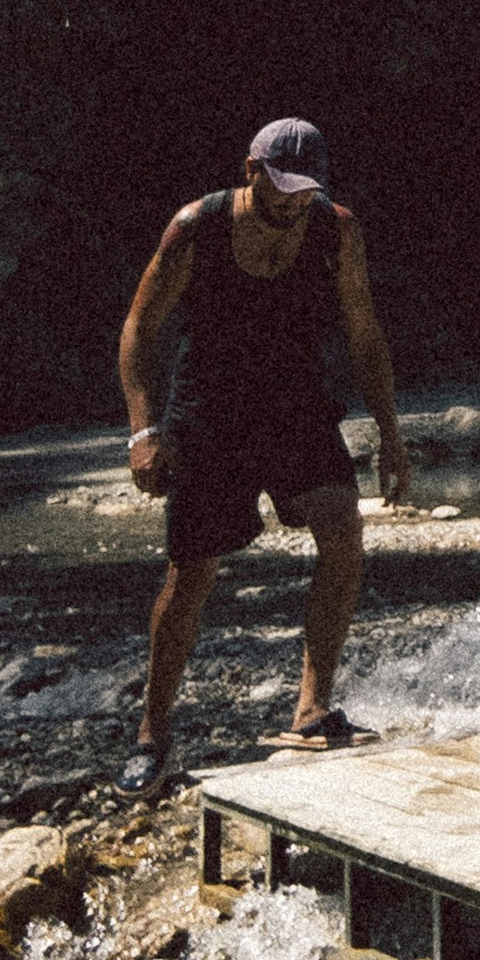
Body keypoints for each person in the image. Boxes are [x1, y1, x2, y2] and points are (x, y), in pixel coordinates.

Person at [115, 117, 410, 792]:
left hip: (296, 404)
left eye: (303, 190)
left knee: (343, 528)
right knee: (191, 576)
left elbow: (364, 336)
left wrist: (391, 436)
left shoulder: (336, 230)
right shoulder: (198, 226)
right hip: (209, 412)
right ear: (249, 169)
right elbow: (139, 327)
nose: (290, 203)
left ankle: (311, 708)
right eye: (279, 188)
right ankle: (151, 738)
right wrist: (143, 429)